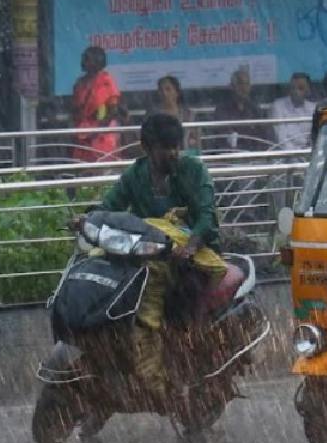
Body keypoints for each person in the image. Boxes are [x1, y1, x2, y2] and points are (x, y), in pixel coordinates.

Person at [94, 114, 228, 406]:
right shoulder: (135, 174)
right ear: (146, 147)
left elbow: (207, 217)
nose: (172, 153)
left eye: (175, 146)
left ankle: (187, 363)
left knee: (184, 296)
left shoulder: (193, 170)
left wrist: (189, 247)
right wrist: (87, 220)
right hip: (148, 259)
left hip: (193, 258)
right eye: (165, 148)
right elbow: (109, 206)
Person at [70, 46, 125, 161]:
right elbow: (75, 109)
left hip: (102, 135)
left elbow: (113, 111)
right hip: (82, 134)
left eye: (86, 58)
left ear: (97, 61)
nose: (82, 62)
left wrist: (97, 131)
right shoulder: (79, 84)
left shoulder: (106, 80)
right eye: (83, 58)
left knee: (101, 168)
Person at [211, 66, 271, 148]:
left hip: (254, 155)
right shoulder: (222, 109)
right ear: (232, 86)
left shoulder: (254, 108)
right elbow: (225, 138)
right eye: (240, 84)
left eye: (247, 84)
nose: (244, 88)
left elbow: (264, 135)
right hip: (231, 156)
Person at [150, 75, 199, 150]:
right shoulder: (153, 116)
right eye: (161, 90)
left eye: (168, 89)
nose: (164, 93)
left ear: (177, 92)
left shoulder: (189, 115)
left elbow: (196, 140)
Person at [269, 72, 316, 149]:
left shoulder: (314, 108)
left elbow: (316, 138)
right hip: (286, 155)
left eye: (300, 88)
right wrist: (297, 154)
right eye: (293, 88)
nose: (296, 92)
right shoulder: (278, 106)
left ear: (308, 90)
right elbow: (281, 139)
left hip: (309, 154)